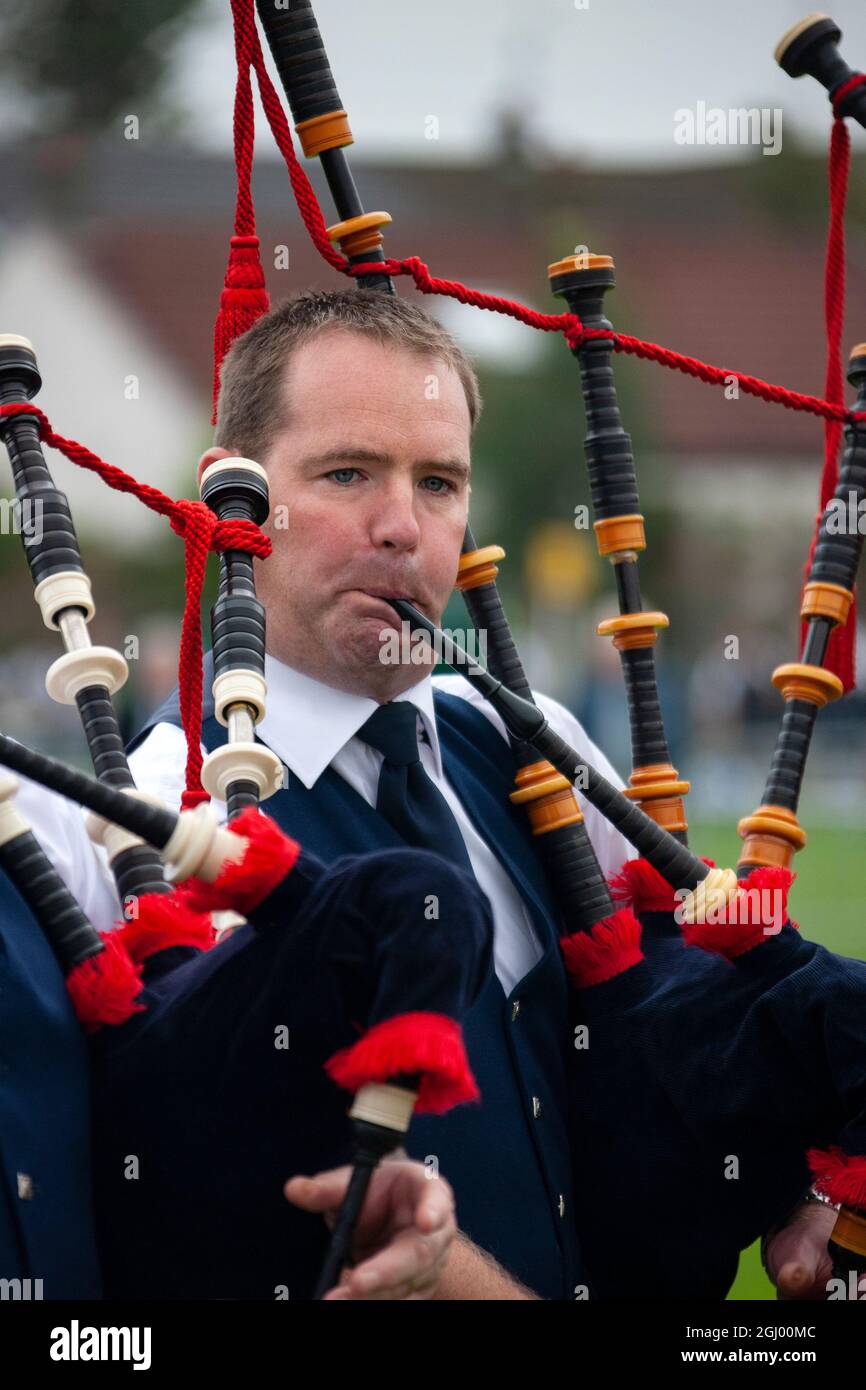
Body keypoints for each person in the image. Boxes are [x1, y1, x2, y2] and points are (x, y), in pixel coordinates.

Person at [20, 288, 837, 1300]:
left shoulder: (528, 742)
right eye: (348, 472)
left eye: (439, 482)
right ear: (228, 501)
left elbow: (668, 1031)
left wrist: (802, 1165)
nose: (402, 527)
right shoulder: (124, 821)